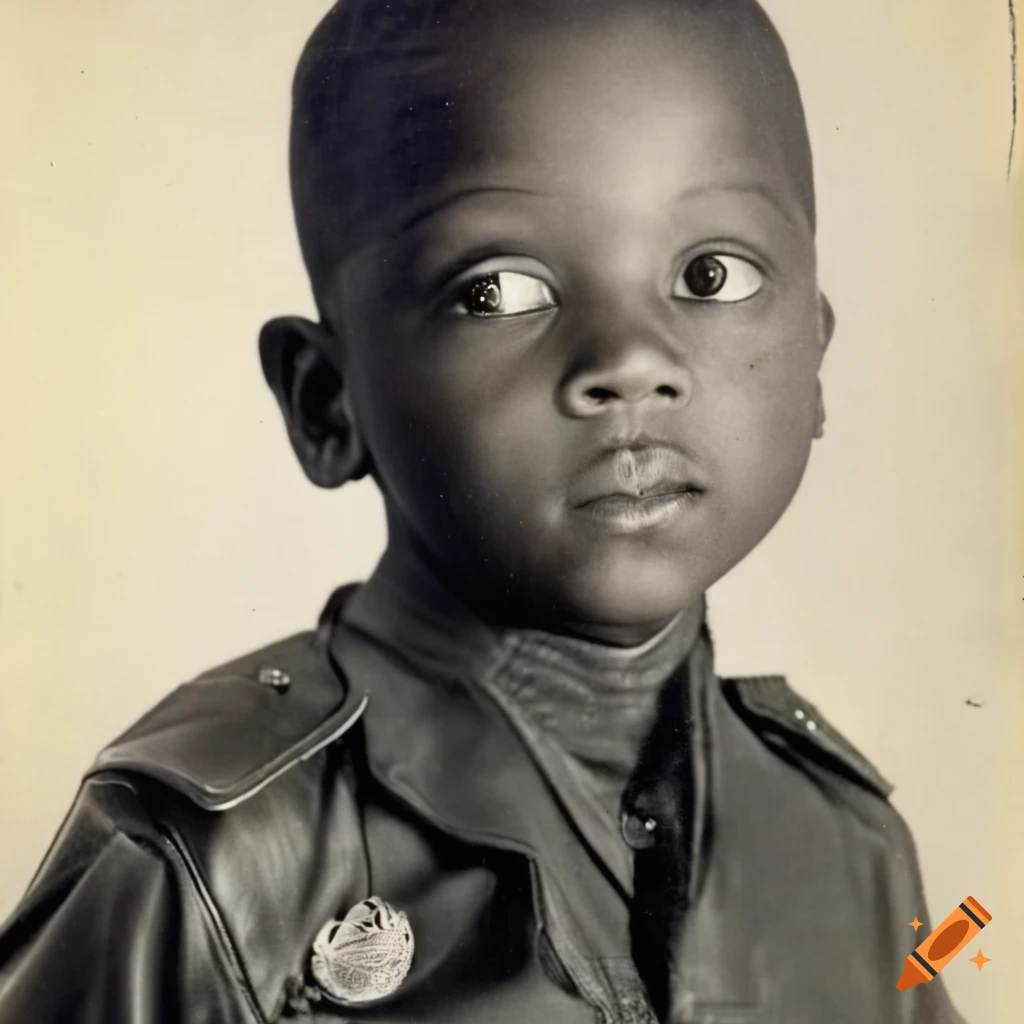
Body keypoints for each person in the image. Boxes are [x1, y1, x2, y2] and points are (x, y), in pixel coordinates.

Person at [0, 1, 968, 1021]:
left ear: (815, 357)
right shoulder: (211, 862)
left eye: (710, 274)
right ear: (327, 401)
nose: (630, 361)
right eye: (498, 291)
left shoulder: (845, 841)